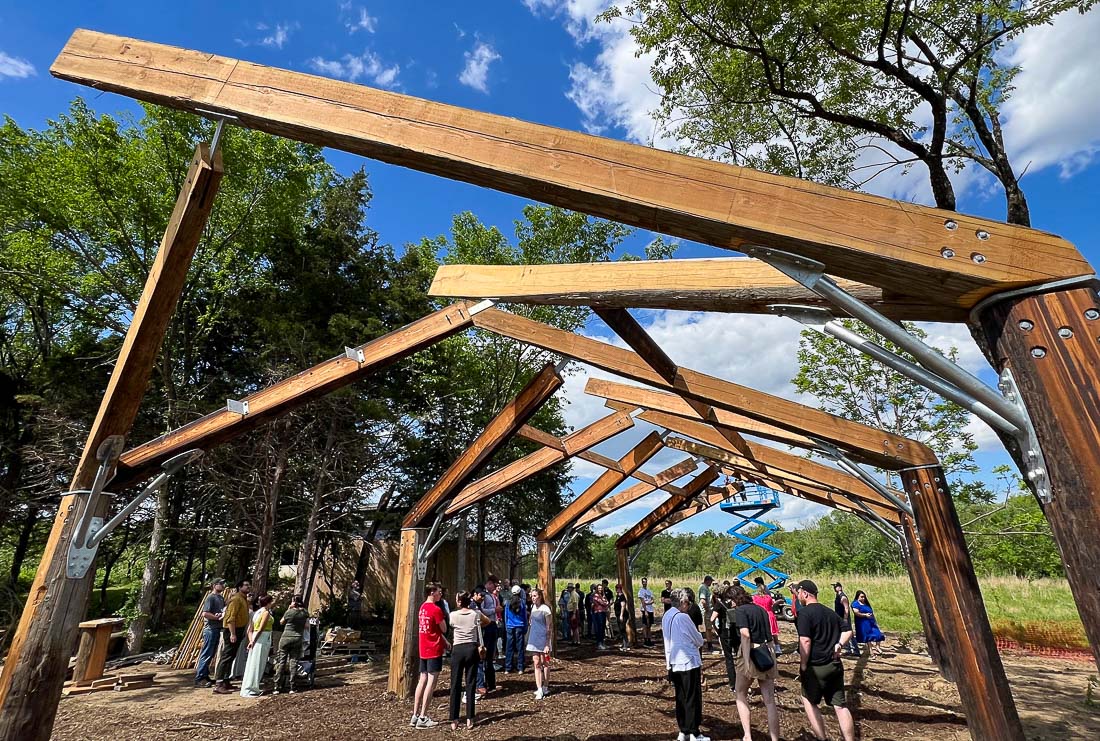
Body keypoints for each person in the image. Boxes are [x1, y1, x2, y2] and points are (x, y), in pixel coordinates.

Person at [795, 580, 856, 741]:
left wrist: (803, 665)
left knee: (809, 701)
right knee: (840, 706)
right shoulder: (829, 612)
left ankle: (822, 739)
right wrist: (839, 645)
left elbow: (805, 641)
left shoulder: (804, 614)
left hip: (816, 667)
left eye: (798, 592)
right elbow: (848, 631)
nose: (798, 596)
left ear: (805, 593)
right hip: (834, 665)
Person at [731, 584, 779, 741]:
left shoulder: (740, 611)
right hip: (767, 652)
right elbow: (770, 634)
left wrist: (745, 661)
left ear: (734, 598)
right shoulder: (761, 609)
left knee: (740, 693)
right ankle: (775, 738)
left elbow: (745, 635)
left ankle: (747, 736)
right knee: (770, 700)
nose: (730, 603)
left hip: (751, 652)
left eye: (730, 599)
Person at [663, 588, 709, 741]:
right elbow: (698, 640)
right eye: (687, 602)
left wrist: (668, 664)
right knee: (692, 698)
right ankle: (694, 732)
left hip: (674, 662)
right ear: (682, 602)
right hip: (688, 662)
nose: (688, 606)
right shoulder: (683, 617)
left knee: (680, 697)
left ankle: (683, 730)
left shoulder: (667, 615)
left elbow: (666, 642)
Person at [448, 591, 490, 730]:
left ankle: (454, 719)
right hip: (471, 649)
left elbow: (450, 626)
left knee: (455, 683)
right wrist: (476, 626)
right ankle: (469, 718)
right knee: (470, 683)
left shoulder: (453, 615)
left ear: (459, 602)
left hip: (458, 649)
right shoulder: (476, 614)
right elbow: (488, 621)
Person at [412, 584, 450, 728]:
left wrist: (445, 641)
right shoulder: (436, 609)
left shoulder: (422, 607)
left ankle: (415, 715)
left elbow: (432, 629)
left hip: (423, 648)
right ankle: (423, 717)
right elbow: (443, 628)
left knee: (422, 679)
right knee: (431, 682)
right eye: (439, 592)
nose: (441, 595)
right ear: (432, 592)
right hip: (433, 648)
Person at [213, 580, 251, 694]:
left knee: (232, 656)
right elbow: (230, 618)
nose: (248, 587)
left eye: (249, 585)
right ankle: (218, 683)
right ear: (239, 587)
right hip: (232, 630)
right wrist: (233, 633)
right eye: (246, 585)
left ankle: (226, 680)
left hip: (239, 629)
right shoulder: (236, 599)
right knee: (226, 656)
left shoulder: (244, 599)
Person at [240, 594, 274, 698]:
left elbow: (249, 630)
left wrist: (251, 640)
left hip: (256, 638)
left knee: (253, 662)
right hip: (262, 638)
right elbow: (261, 629)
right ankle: (251, 688)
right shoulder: (265, 613)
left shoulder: (256, 613)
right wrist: (253, 641)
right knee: (258, 663)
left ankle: (250, 686)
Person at [273, 594, 308, 695]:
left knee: (281, 662)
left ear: (293, 602)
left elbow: (281, 622)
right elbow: (306, 625)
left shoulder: (290, 612)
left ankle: (277, 686)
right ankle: (292, 686)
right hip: (297, 638)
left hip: (286, 637)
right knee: (294, 662)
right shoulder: (305, 613)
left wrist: (289, 608)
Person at [194, 578, 226, 687]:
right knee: (207, 653)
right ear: (214, 585)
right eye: (221, 583)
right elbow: (205, 613)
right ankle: (199, 678)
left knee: (211, 654)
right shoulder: (211, 597)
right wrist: (217, 618)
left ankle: (205, 675)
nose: (223, 585)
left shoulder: (221, 598)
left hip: (217, 628)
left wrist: (221, 615)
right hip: (210, 629)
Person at [526, 587, 553, 699]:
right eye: (531, 596)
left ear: (540, 596)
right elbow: (531, 621)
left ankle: (545, 685)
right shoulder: (533, 607)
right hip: (534, 638)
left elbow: (549, 627)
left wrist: (547, 643)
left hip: (544, 638)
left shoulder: (545, 609)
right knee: (536, 662)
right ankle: (539, 688)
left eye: (535, 596)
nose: (533, 598)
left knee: (545, 662)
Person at [476, 577, 499, 696]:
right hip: (486, 626)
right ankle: (481, 684)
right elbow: (482, 611)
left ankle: (491, 683)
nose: (495, 587)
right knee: (483, 654)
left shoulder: (492, 596)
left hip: (493, 625)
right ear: (488, 584)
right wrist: (494, 610)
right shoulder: (483, 596)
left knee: (490, 656)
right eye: (494, 585)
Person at [710, 586, 736, 690]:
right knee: (740, 657)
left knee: (729, 659)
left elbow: (712, 619)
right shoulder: (733, 602)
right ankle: (744, 682)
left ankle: (733, 683)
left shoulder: (719, 604)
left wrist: (716, 629)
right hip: (735, 631)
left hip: (724, 633)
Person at [753, 576, 783, 655]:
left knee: (763, 631)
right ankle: (777, 647)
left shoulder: (755, 598)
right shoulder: (768, 597)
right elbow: (772, 604)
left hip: (761, 615)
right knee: (773, 632)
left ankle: (765, 648)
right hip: (770, 614)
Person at [851, 590, 885, 656]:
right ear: (858, 597)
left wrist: (874, 621)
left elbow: (871, 612)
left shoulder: (866, 604)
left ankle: (877, 647)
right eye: (861, 597)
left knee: (878, 634)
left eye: (864, 597)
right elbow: (856, 613)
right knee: (868, 636)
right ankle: (871, 651)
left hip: (871, 622)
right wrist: (865, 615)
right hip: (863, 623)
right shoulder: (855, 604)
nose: (863, 598)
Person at [832, 583, 860, 657]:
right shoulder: (838, 596)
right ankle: (848, 649)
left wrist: (845, 618)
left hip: (844, 618)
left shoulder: (843, 597)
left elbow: (846, 608)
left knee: (849, 634)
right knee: (843, 633)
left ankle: (856, 650)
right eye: (834, 587)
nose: (835, 588)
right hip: (840, 617)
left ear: (840, 587)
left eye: (836, 587)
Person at [504, 584, 528, 673]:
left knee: (509, 647)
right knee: (520, 648)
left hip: (510, 626)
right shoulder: (522, 603)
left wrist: (506, 626)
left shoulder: (508, 603)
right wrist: (525, 627)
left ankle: (508, 667)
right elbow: (524, 616)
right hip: (520, 626)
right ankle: (520, 667)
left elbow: (506, 615)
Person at [698, 575, 715, 653]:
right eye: (711, 581)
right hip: (706, 611)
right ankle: (709, 645)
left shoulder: (706, 588)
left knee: (709, 628)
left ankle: (709, 643)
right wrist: (707, 609)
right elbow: (703, 600)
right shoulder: (703, 588)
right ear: (708, 581)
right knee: (708, 628)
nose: (711, 583)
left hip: (708, 610)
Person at [638, 577, 656, 647]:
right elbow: (643, 602)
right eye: (643, 582)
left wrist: (648, 603)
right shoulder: (641, 591)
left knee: (649, 625)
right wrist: (645, 611)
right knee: (645, 625)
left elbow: (652, 600)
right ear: (642, 583)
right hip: (645, 610)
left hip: (651, 609)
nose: (644, 583)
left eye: (645, 582)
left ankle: (649, 639)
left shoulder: (649, 591)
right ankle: (645, 640)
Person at [591, 584, 610, 650]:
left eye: (601, 588)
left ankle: (602, 642)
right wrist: (605, 602)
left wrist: (605, 602)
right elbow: (603, 603)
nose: (600, 589)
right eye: (599, 588)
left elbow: (607, 602)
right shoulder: (595, 596)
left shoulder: (602, 595)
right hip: (598, 613)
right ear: (597, 589)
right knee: (599, 628)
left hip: (603, 612)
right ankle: (599, 643)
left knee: (602, 628)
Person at [614, 583, 631, 650]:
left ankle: (626, 645)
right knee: (621, 630)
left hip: (623, 615)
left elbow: (623, 606)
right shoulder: (617, 596)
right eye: (616, 588)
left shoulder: (622, 596)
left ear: (620, 589)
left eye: (618, 588)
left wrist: (621, 615)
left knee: (622, 629)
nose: (617, 589)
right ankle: (624, 643)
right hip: (618, 615)